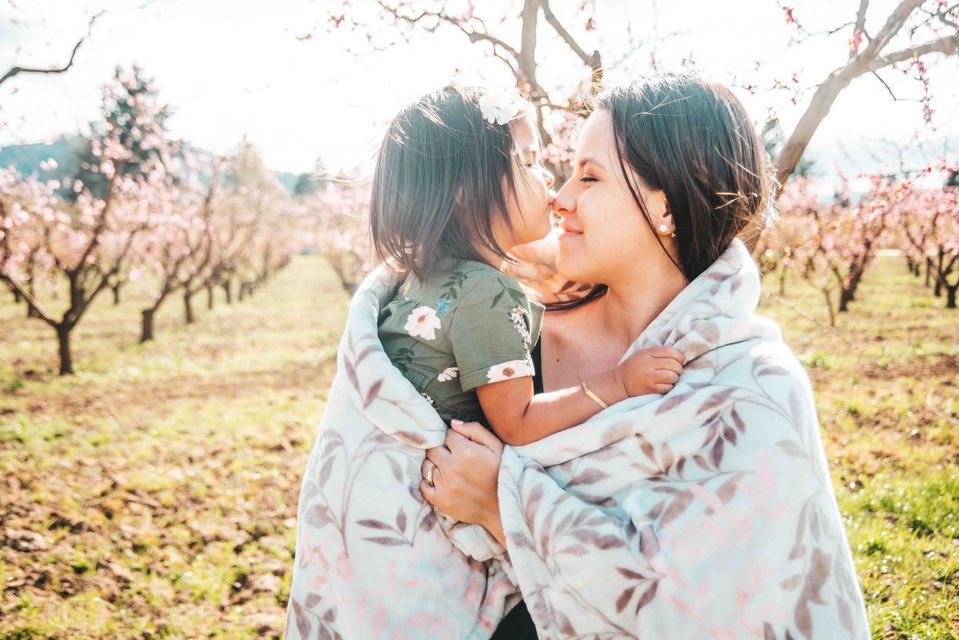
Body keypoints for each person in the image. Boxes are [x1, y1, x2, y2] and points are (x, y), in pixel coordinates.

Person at [420, 75, 871, 639]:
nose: (560, 198)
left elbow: (704, 610)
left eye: (590, 176)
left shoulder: (754, 392)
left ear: (666, 207)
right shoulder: (500, 335)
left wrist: (500, 504)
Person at [285, 85, 682, 640]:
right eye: (529, 162)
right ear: (467, 190)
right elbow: (516, 423)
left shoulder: (426, 277)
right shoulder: (489, 294)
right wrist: (616, 383)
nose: (550, 184)